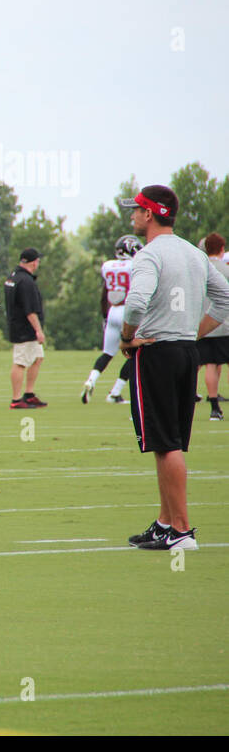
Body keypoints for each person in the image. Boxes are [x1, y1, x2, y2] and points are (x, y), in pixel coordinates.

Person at [120, 186, 229, 551]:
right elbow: (225, 297)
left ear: (150, 214)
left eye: (136, 210)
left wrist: (127, 336)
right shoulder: (194, 253)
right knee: (167, 441)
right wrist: (193, 332)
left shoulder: (149, 255)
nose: (133, 216)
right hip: (186, 351)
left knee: (166, 444)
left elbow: (136, 302)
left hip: (157, 352)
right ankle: (166, 523)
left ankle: (181, 531)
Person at [82, 235, 143, 404]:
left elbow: (104, 295)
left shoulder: (108, 266)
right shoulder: (135, 265)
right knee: (136, 354)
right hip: (128, 312)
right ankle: (115, 392)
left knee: (107, 353)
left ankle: (91, 380)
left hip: (112, 311)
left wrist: (104, 317)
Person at [6, 248, 47, 409]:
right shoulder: (26, 281)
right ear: (34, 262)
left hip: (18, 324)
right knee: (20, 362)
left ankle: (29, 394)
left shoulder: (14, 276)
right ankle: (16, 399)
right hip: (25, 328)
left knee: (37, 358)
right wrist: (38, 330)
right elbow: (29, 310)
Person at [198, 233, 229, 421]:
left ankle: (214, 407)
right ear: (221, 248)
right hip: (224, 324)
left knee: (210, 363)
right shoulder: (225, 269)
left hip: (205, 324)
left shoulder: (199, 269)